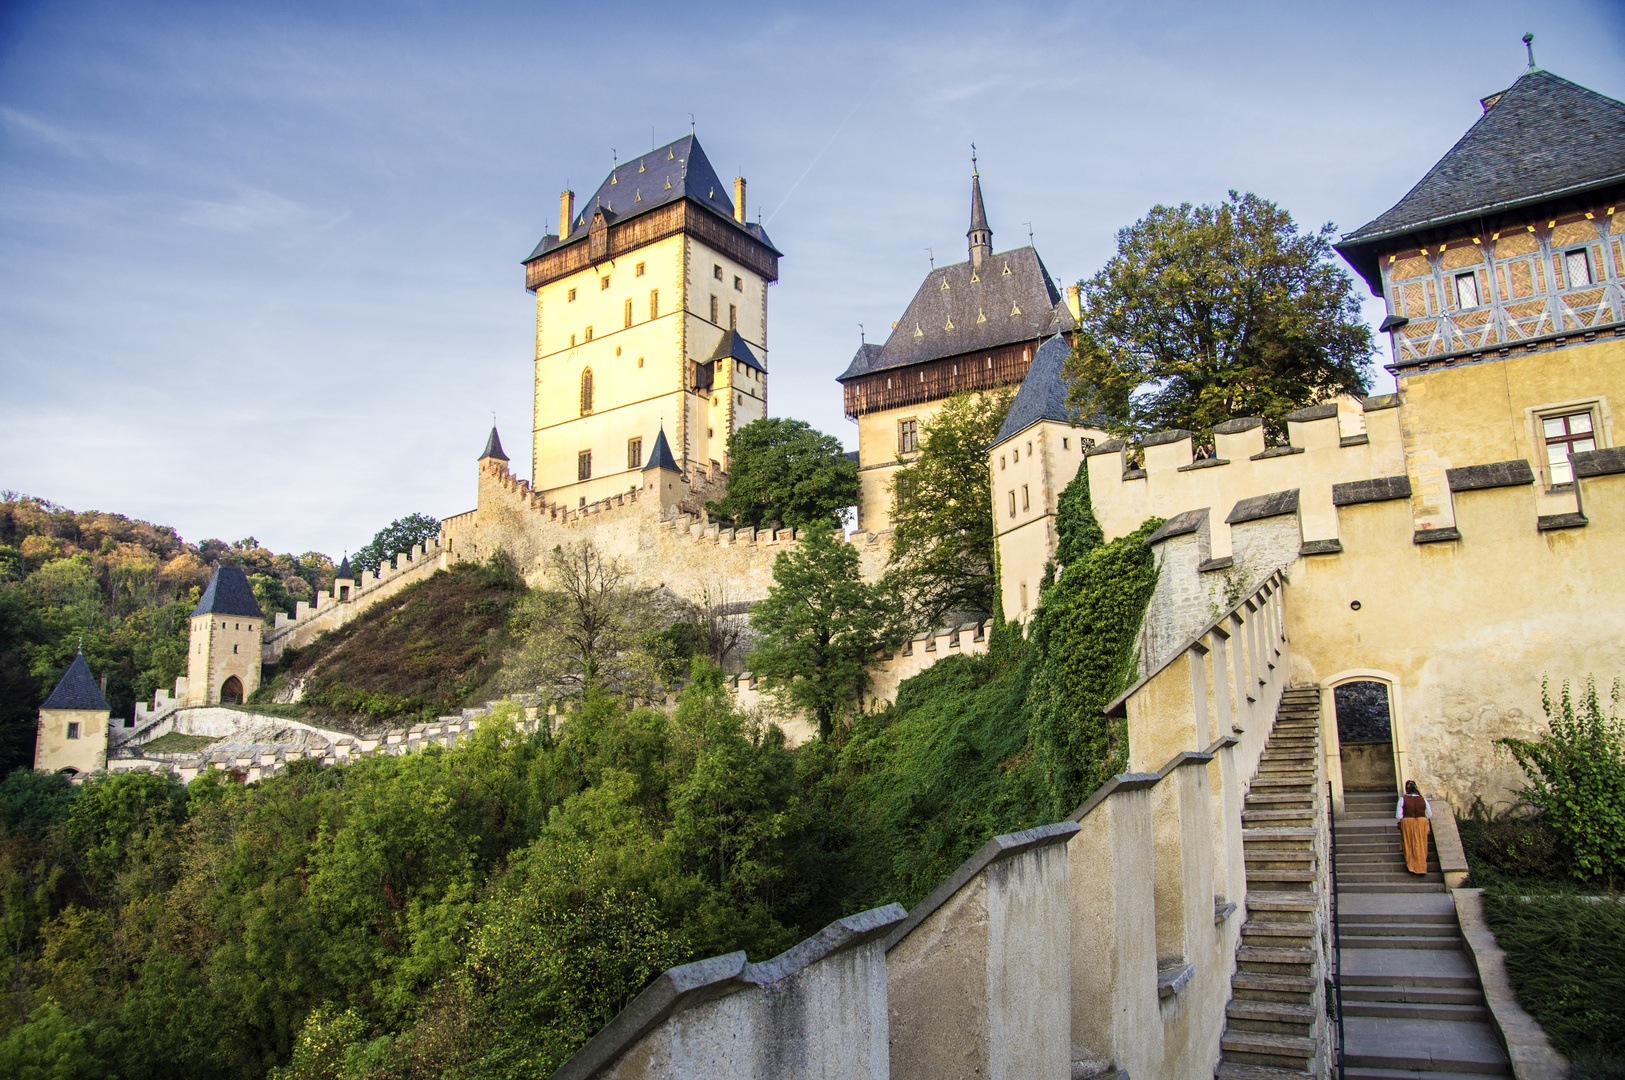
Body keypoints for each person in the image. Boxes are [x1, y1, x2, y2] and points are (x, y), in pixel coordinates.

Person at [1395, 780, 1432, 875]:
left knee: (1409, 844)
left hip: (1408, 822)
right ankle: (1421, 867)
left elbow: (1399, 815)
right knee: (1421, 844)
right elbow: (1429, 814)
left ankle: (1412, 866)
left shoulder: (1403, 799)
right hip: (1422, 822)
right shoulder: (1422, 799)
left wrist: (1401, 821)